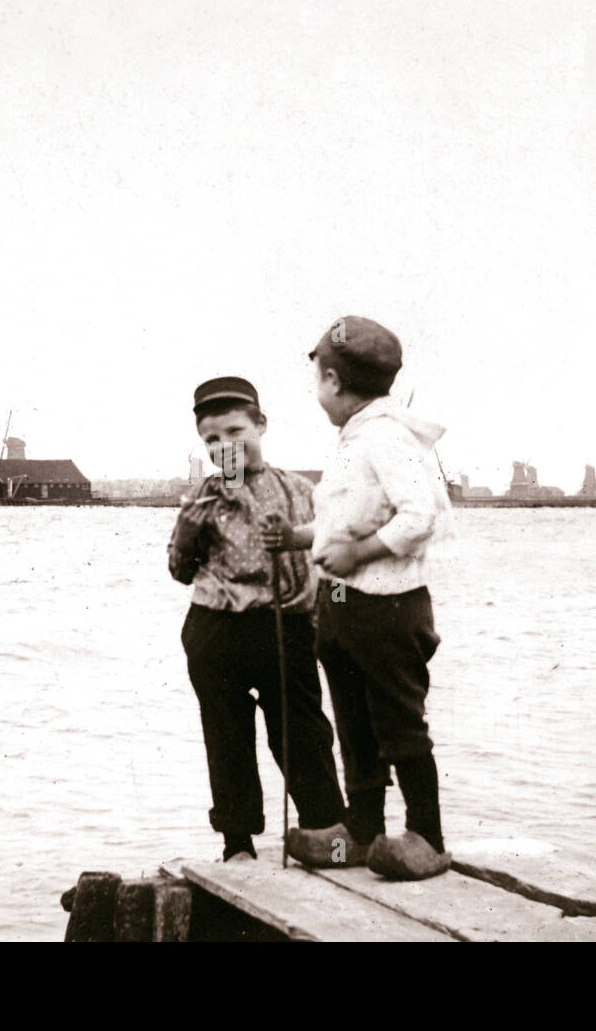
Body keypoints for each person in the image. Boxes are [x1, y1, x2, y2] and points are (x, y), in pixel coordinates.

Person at [264, 317, 456, 880]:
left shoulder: (386, 437)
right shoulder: (356, 438)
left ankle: (427, 838)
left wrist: (362, 553)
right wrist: (298, 538)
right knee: (353, 724)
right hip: (345, 607)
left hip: (390, 609)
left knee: (398, 724)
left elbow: (418, 516)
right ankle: (361, 834)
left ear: (331, 380)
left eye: (317, 379)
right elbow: (341, 521)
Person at [168, 376, 347, 862]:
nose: (223, 446)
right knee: (226, 735)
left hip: (285, 626)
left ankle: (326, 831)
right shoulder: (203, 497)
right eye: (211, 439)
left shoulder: (299, 490)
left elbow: (328, 557)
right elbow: (179, 572)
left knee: (303, 731)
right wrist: (189, 529)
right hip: (216, 629)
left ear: (261, 425)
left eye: (234, 431)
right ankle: (238, 842)